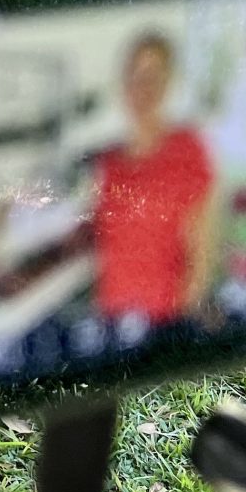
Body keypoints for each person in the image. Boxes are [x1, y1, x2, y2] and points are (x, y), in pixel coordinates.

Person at [91, 33, 218, 326]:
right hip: (112, 316)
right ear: (123, 84)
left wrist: (186, 311)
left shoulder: (187, 147)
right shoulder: (108, 161)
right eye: (135, 76)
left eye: (153, 76)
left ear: (168, 82)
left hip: (166, 317)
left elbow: (203, 244)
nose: (143, 88)